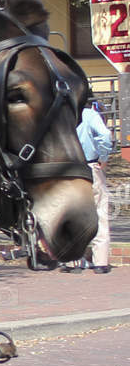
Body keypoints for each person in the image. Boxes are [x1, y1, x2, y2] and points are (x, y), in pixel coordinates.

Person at [63, 95, 114, 274]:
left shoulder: (62, 115)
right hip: (90, 166)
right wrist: (103, 157)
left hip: (68, 169)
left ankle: (73, 262)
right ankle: (100, 262)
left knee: (72, 215)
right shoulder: (90, 115)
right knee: (99, 211)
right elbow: (105, 135)